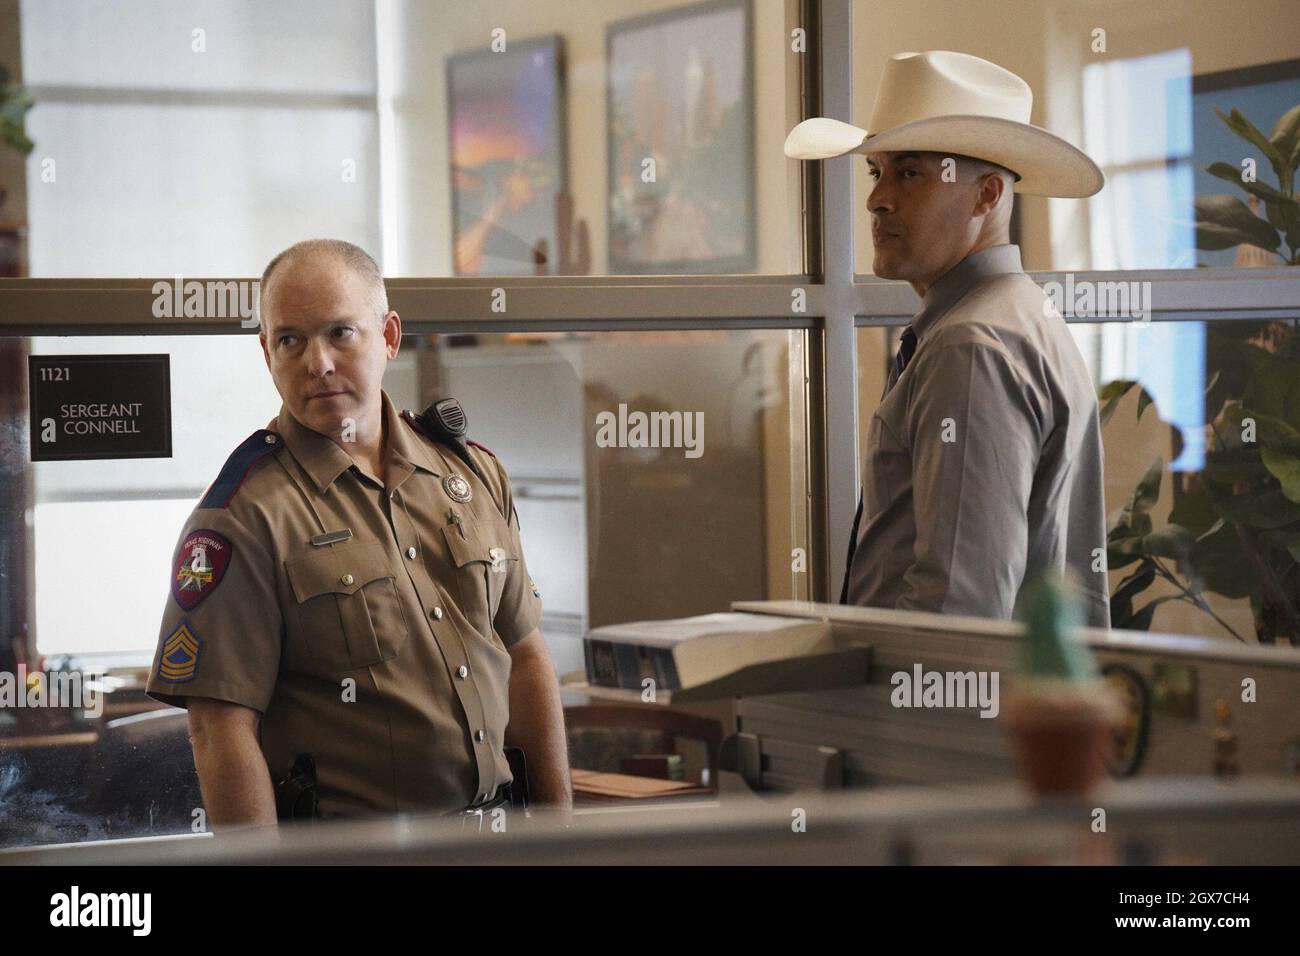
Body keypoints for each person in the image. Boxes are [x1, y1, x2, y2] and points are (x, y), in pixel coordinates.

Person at [146, 238, 572, 826]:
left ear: (390, 337)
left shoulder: (471, 473)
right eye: (290, 340)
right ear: (266, 353)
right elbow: (219, 728)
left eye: (340, 333)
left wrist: (560, 833)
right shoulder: (244, 515)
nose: (316, 363)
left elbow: (524, 655)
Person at [785, 51, 1110, 627]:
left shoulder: (970, 345)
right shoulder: (1019, 315)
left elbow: (960, 612)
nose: (877, 198)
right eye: (876, 171)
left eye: (909, 173)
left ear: (986, 196)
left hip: (945, 714)